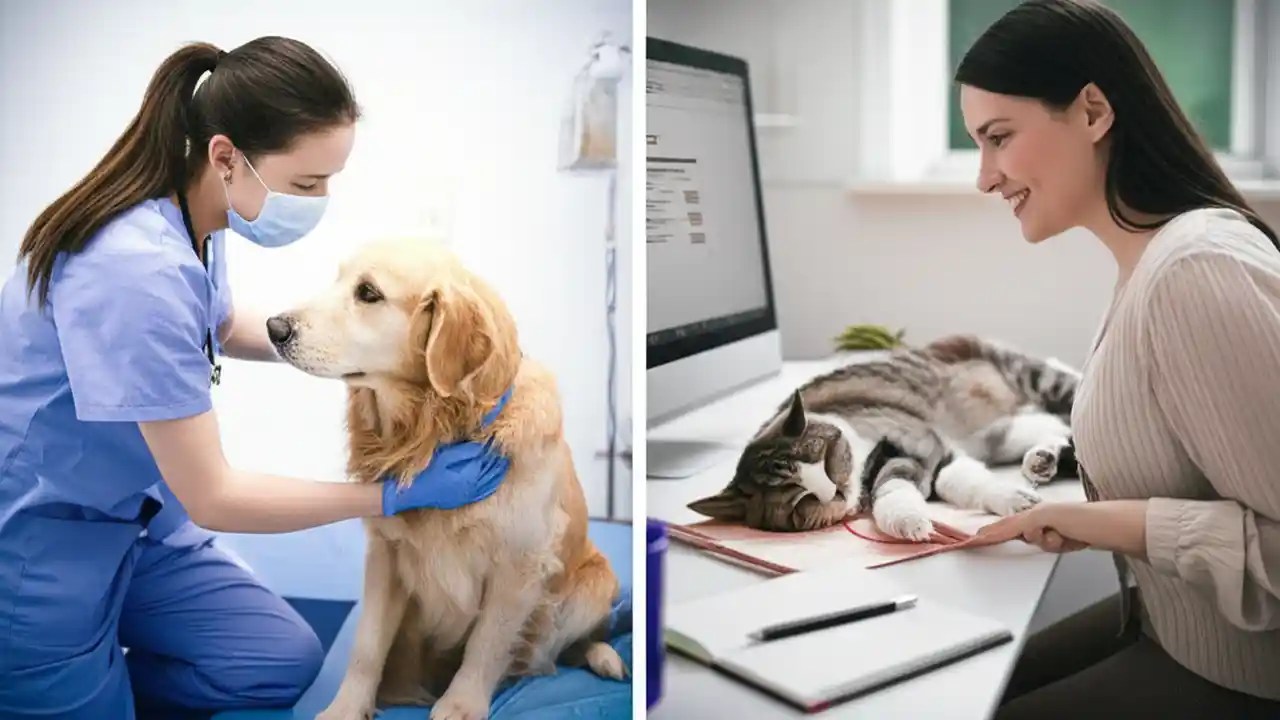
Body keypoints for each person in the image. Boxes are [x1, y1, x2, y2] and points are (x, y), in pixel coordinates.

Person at [0, 38, 508, 719]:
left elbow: (221, 323)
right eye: (306, 184)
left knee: (280, 661)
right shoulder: (135, 271)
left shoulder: (194, 222)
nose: (320, 200)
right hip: (42, 551)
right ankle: (81, 665)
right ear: (224, 156)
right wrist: (387, 497)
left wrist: (340, 350)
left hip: (139, 526)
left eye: (330, 180)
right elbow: (216, 497)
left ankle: (112, 657)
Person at [954, 1, 1280, 717]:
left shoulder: (1197, 271)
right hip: (1169, 627)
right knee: (955, 685)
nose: (985, 177)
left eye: (999, 138)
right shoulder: (1151, 263)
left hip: (1240, 675)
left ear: (1094, 112)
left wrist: (1114, 523)